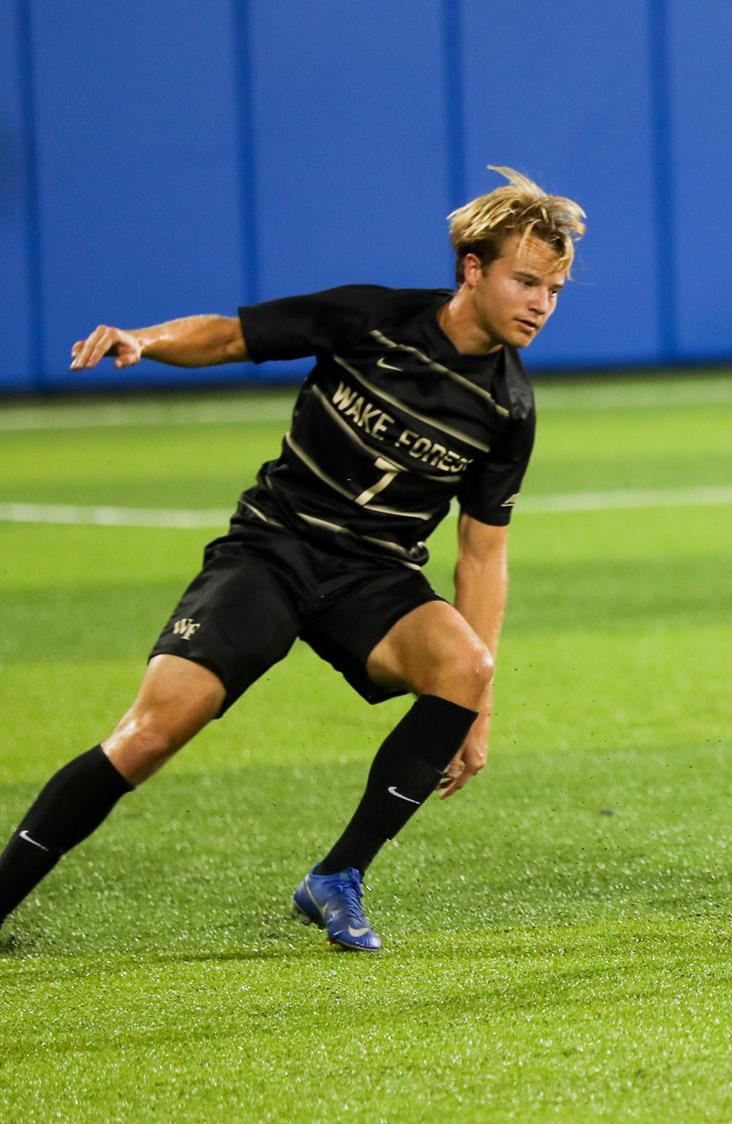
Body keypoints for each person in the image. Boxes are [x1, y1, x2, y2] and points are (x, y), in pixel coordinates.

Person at [0, 167, 584, 951]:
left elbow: (482, 555)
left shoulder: (508, 408)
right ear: (473, 270)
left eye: (553, 291)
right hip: (273, 550)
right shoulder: (370, 319)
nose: (541, 305)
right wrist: (146, 341)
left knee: (466, 670)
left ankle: (337, 877)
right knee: (150, 734)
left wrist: (478, 708)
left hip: (371, 579)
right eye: (526, 282)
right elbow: (234, 336)